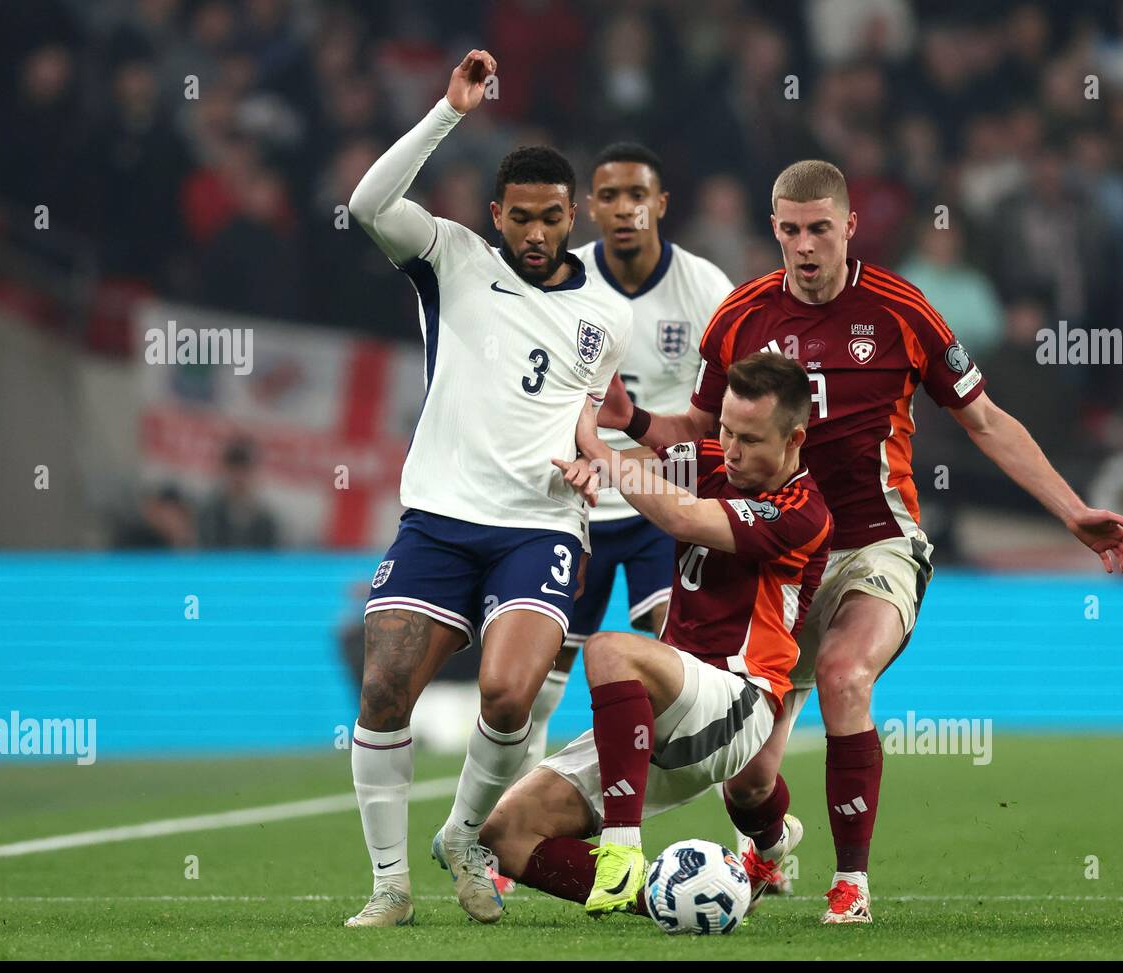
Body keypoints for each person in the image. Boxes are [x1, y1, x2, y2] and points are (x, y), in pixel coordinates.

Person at [597, 159, 1123, 924]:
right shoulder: (741, 316)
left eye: (820, 228)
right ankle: (769, 841)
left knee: (848, 674)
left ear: (850, 226)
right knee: (746, 778)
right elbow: (705, 430)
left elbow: (984, 420)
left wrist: (1072, 508)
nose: (805, 246)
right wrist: (633, 422)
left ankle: (851, 883)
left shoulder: (900, 309)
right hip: (781, 558)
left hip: (873, 546)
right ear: (775, 229)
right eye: (789, 230)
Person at [342, 50, 630, 927]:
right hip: (438, 517)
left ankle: (465, 834)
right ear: (495, 213)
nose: (535, 233)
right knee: (385, 684)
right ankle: (390, 885)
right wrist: (449, 113)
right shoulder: (453, 258)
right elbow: (365, 206)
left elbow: (586, 420)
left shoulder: (605, 317)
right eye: (521, 218)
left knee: (510, 692)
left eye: (551, 219)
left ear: (570, 215)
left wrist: (594, 457)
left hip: (539, 526)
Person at [480, 353, 832, 915]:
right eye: (724, 430)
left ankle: (621, 853)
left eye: (750, 439)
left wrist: (601, 453)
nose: (732, 450)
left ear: (794, 439)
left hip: (738, 702)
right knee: (505, 834)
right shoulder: (717, 459)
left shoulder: (802, 512)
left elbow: (685, 517)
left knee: (608, 649)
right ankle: (670, 901)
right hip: (670, 712)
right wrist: (595, 461)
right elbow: (639, 460)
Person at [516, 142, 734, 782]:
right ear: (590, 208)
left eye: (637, 195)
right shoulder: (563, 284)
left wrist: (632, 460)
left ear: (660, 204)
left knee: (690, 665)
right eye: (608, 196)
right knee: (541, 676)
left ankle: (747, 833)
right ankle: (512, 821)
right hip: (573, 504)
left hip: (663, 511)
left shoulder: (706, 290)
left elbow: (723, 414)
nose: (623, 209)